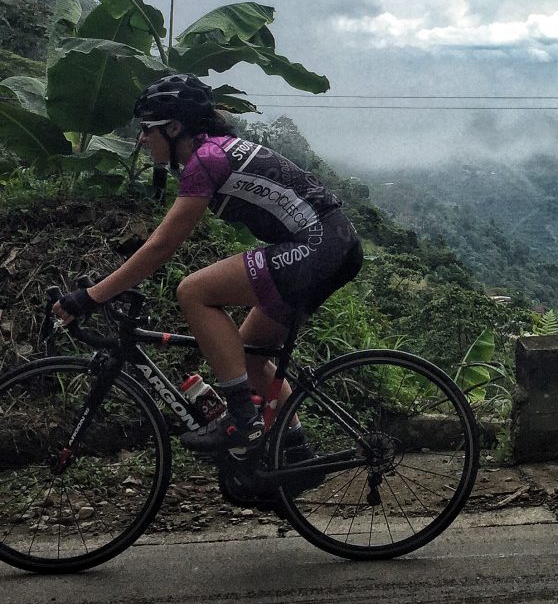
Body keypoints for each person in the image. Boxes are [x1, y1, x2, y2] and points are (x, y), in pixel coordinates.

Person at [52, 74, 363, 453]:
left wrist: (91, 296)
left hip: (319, 244)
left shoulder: (206, 159)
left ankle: (242, 420)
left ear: (173, 127)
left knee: (194, 291)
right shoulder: (214, 151)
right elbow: (158, 242)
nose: (141, 138)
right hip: (333, 245)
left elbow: (162, 245)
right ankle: (292, 449)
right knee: (249, 353)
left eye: (146, 129)